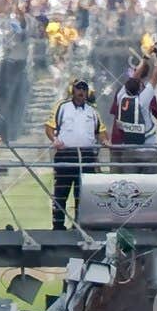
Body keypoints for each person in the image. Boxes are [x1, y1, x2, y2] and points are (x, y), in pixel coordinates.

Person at [108, 44, 157, 169]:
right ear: (140, 86)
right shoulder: (144, 100)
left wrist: (146, 56)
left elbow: (135, 76)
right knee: (151, 184)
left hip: (127, 149)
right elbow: (155, 77)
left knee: (130, 185)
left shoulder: (121, 96)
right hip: (148, 150)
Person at [44, 78, 102, 230]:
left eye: (84, 88)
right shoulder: (62, 106)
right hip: (66, 154)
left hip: (87, 156)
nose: (81, 91)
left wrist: (106, 142)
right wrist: (54, 140)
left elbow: (101, 131)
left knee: (82, 193)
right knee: (61, 191)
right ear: (73, 90)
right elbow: (49, 127)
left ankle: (79, 224)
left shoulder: (92, 111)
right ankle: (58, 225)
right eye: (78, 88)